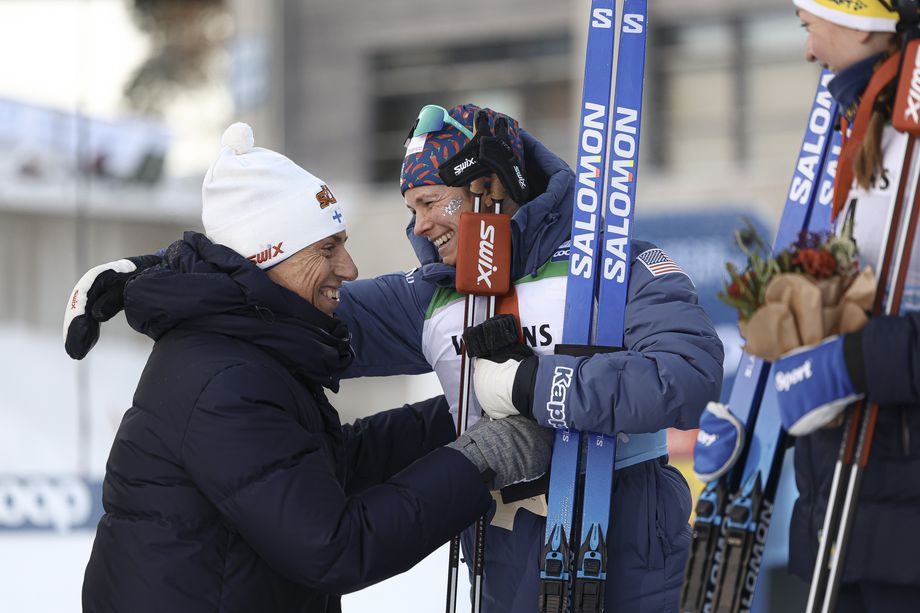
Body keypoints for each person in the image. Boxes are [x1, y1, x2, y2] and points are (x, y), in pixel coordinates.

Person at [66, 105, 724, 612]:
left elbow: (686, 375)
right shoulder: (438, 299)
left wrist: (528, 384)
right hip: (511, 552)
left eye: (430, 202)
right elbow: (275, 304)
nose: (418, 228)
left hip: (628, 540)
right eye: (411, 209)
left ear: (489, 187)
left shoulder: (618, 264)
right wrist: (151, 274)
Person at [703, 2, 920, 611]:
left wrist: (850, 361)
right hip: (849, 526)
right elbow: (871, 311)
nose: (808, 52)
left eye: (808, 25)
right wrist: (765, 409)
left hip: (899, 538)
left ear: (858, 21)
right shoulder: (873, 134)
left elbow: (878, 345)